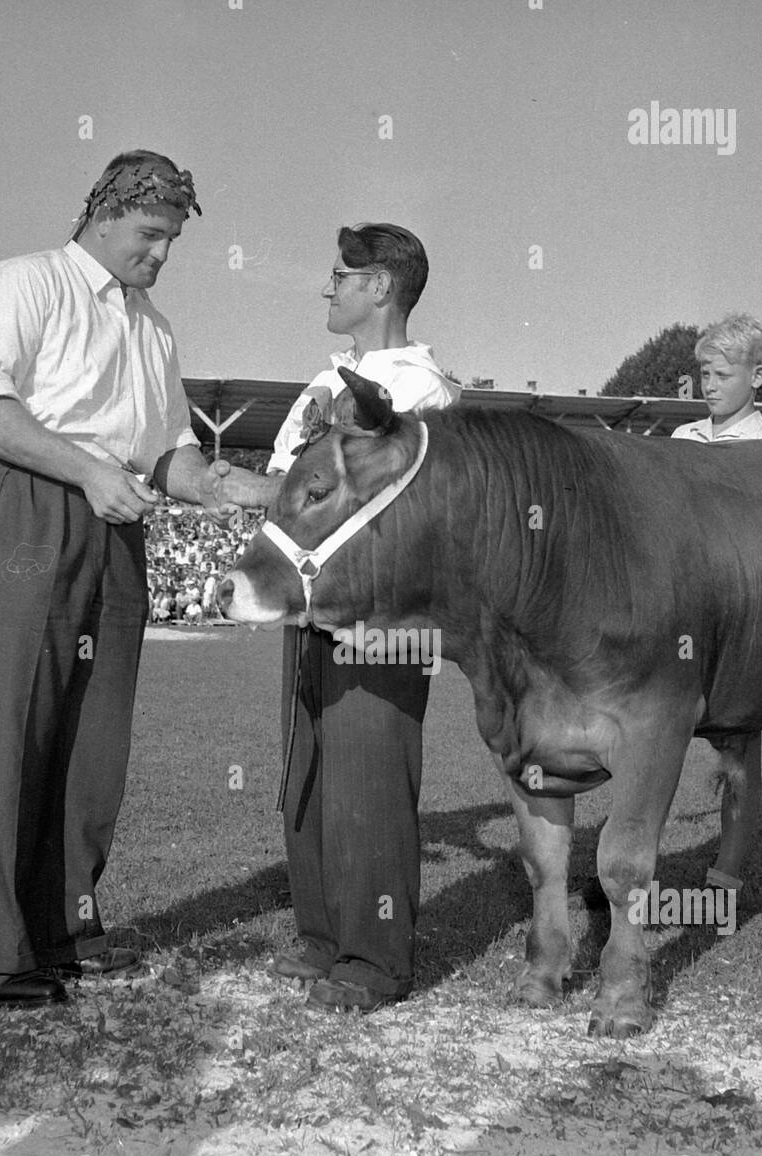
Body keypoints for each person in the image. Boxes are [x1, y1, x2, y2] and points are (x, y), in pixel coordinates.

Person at [0, 148, 256, 1008]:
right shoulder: (23, 283)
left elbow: (172, 455)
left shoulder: (152, 326)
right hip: (25, 505)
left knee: (95, 735)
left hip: (116, 521)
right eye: (151, 235)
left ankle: (65, 925)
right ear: (105, 212)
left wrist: (259, 490)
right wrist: (84, 470)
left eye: (172, 242)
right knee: (13, 722)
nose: (160, 255)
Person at [222, 223, 461, 1011]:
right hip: (313, 602)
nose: (329, 288)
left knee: (370, 775)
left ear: (381, 287)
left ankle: (374, 957)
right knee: (312, 770)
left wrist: (252, 488)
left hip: (381, 614)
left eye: (341, 276)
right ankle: (322, 935)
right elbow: (292, 484)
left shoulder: (424, 391)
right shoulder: (325, 381)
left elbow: (378, 501)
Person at [673, 313, 762, 898]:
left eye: (721, 374)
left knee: (741, 748)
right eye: (703, 374)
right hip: (682, 619)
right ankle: (636, 863)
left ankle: (724, 880)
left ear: (758, 375)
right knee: (650, 735)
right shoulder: (680, 442)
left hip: (747, 620)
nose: (707, 385)